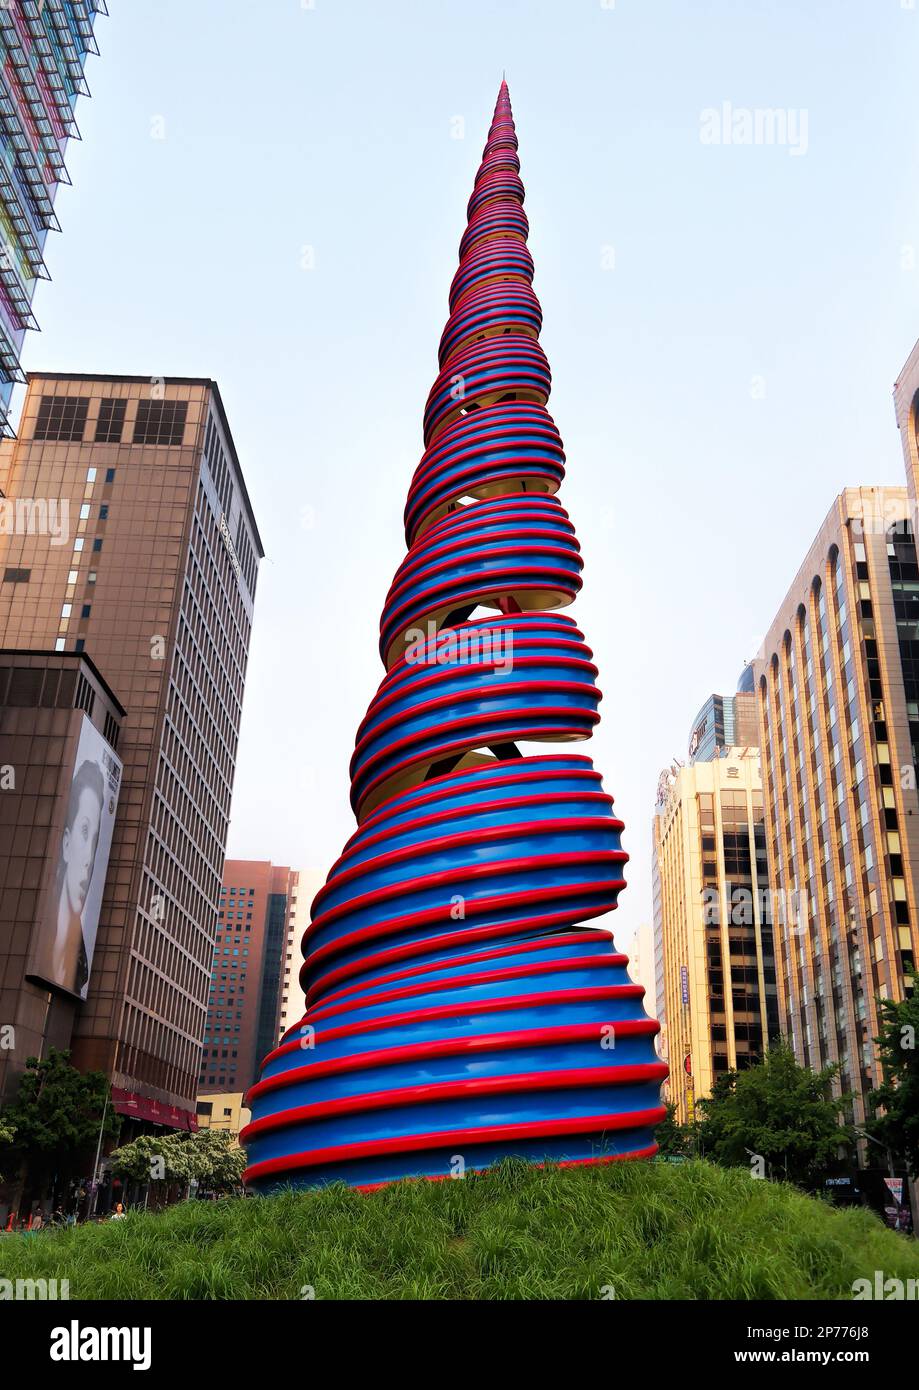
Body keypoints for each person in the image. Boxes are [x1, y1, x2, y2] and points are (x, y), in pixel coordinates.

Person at [50, 760, 105, 996]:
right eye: (84, 831)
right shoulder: (37, 932)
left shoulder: (82, 968)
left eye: (95, 841)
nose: (88, 859)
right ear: (66, 842)